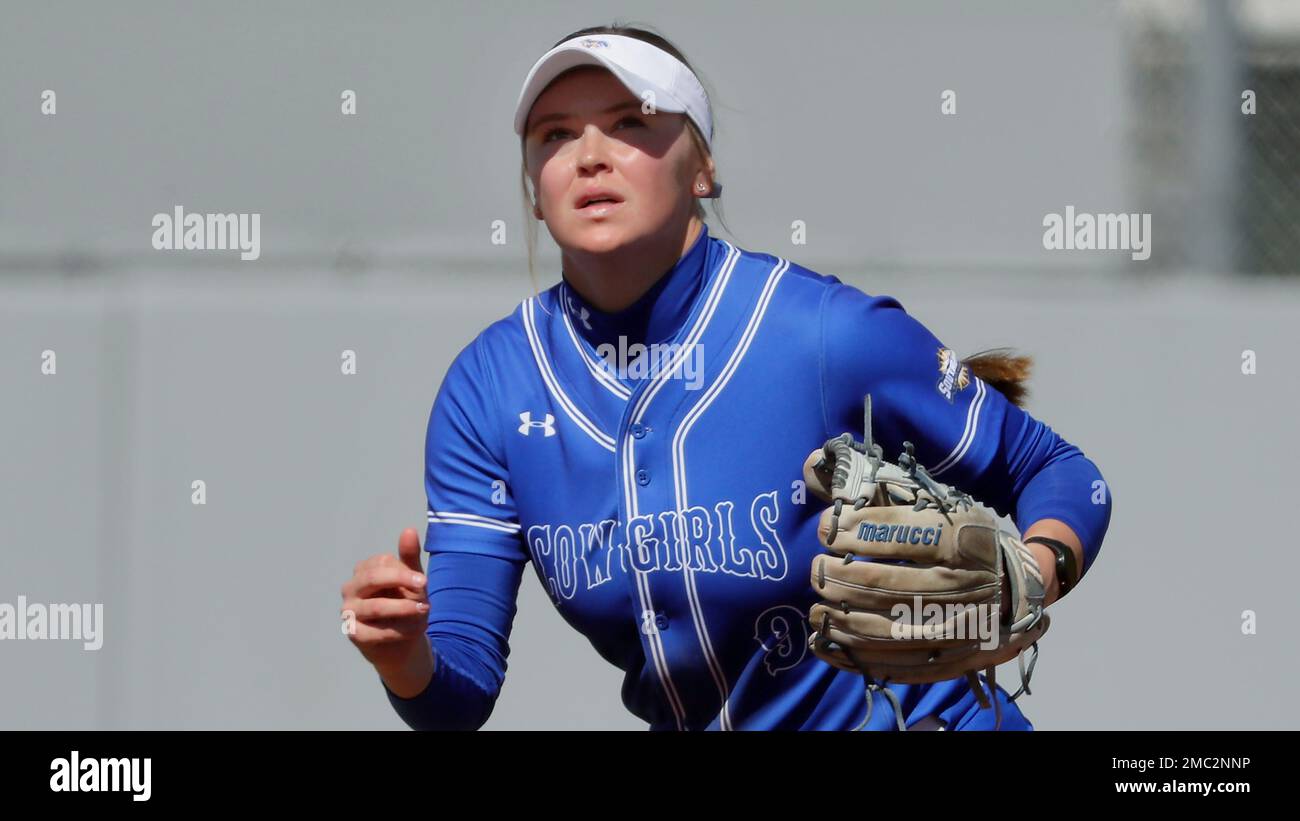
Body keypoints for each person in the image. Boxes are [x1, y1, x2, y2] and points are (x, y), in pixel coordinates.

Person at [339, 24, 1112, 731]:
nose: (590, 152)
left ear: (703, 166)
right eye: (555, 134)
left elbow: (1059, 470)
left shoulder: (821, 333)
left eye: (632, 122)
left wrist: (1031, 577)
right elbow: (457, 695)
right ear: (535, 191)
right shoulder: (492, 389)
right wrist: (404, 657)